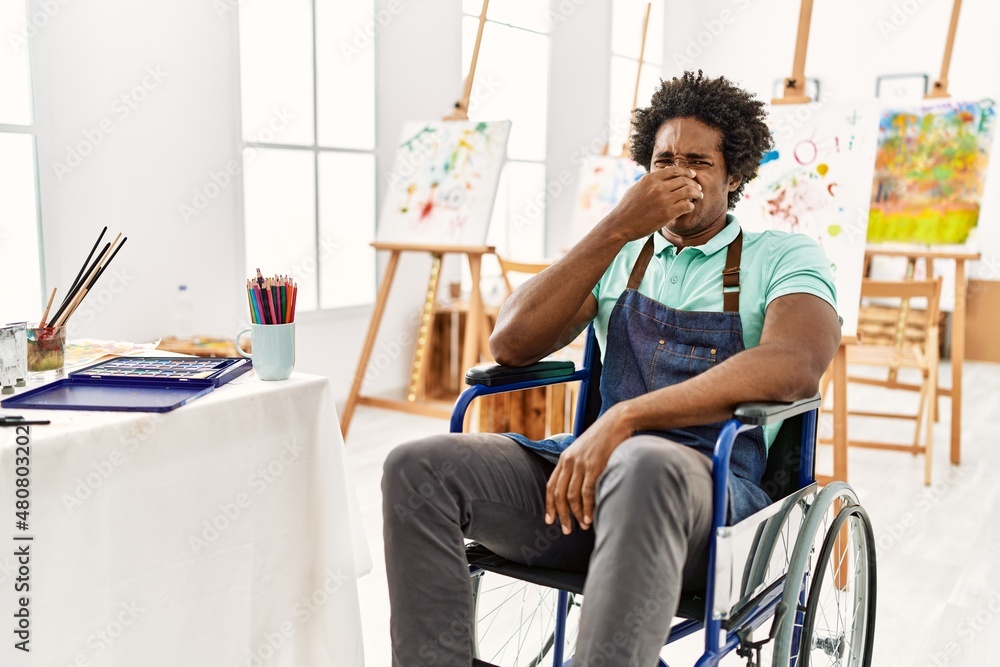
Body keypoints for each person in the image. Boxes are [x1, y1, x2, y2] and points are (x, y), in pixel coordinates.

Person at [381, 70, 841, 666]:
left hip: (711, 499)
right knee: (416, 468)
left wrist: (625, 418)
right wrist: (617, 226)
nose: (678, 174)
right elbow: (511, 343)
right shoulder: (622, 251)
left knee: (645, 460)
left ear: (735, 175)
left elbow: (795, 364)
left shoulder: (784, 256)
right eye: (664, 160)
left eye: (698, 161)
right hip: (589, 486)